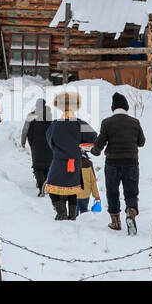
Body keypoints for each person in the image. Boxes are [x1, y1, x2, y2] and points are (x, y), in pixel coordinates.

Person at [91, 92, 146, 234]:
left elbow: (100, 143)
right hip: (131, 163)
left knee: (112, 192)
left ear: (113, 108)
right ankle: (131, 212)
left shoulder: (107, 123)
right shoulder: (135, 122)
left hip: (112, 164)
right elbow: (142, 142)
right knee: (131, 192)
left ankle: (115, 222)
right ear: (126, 108)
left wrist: (95, 151)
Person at [45, 89, 97, 221]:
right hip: (75, 161)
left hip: (59, 161)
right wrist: (81, 147)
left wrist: (57, 150)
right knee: (73, 188)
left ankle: (61, 211)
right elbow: (93, 137)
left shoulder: (55, 125)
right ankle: (72, 215)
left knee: (52, 187)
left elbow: (50, 141)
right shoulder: (80, 124)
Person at [19, 98, 54, 197]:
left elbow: (25, 129)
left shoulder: (31, 115)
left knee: (38, 165)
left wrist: (23, 141)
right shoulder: (49, 116)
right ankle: (46, 184)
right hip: (48, 144)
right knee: (47, 164)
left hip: (36, 144)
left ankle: (41, 187)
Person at [74, 153, 101, 217]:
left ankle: (74, 225)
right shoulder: (89, 164)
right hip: (85, 195)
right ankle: (84, 225)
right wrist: (96, 195)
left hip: (74, 194)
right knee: (84, 212)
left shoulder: (72, 163)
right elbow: (93, 181)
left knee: (74, 213)